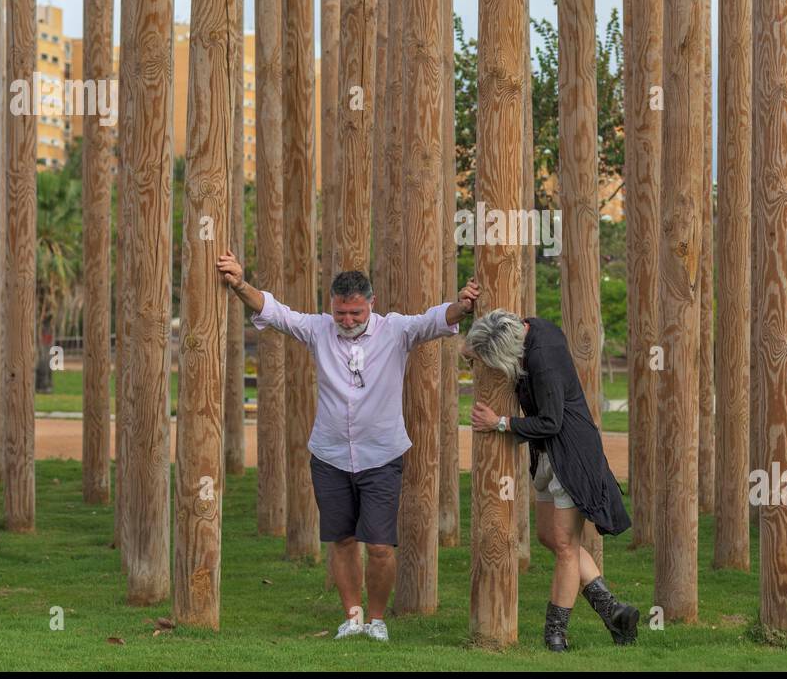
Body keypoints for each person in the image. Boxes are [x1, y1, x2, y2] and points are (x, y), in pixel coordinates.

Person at [217, 251, 479, 642]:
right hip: (330, 454)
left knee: (378, 545)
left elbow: (435, 320)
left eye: (356, 313)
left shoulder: (395, 330)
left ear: (370, 304)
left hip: (381, 456)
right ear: (332, 307)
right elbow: (274, 311)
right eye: (341, 313)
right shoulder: (318, 329)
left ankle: (376, 620)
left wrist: (462, 306)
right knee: (340, 540)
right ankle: (352, 616)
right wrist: (239, 284)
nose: (348, 321)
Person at [463, 309, 638, 652]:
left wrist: (499, 422)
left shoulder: (542, 361)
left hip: (570, 457)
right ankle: (614, 612)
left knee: (564, 547)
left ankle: (555, 634)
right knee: (550, 537)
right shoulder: (531, 327)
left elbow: (551, 422)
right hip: (546, 456)